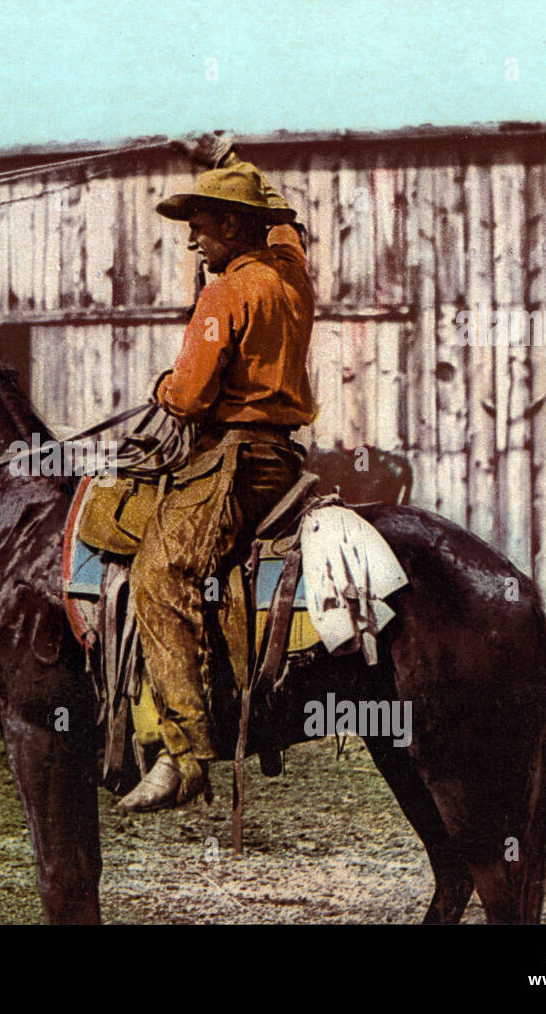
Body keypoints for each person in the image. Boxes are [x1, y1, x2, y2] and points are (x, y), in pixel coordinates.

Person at [117, 155, 316, 813]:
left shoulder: (224, 293)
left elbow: (194, 394)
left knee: (159, 573)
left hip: (232, 461)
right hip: (285, 462)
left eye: (200, 226)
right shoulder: (291, 276)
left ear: (232, 226)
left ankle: (187, 751)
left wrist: (164, 390)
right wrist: (241, 165)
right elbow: (285, 227)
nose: (190, 238)